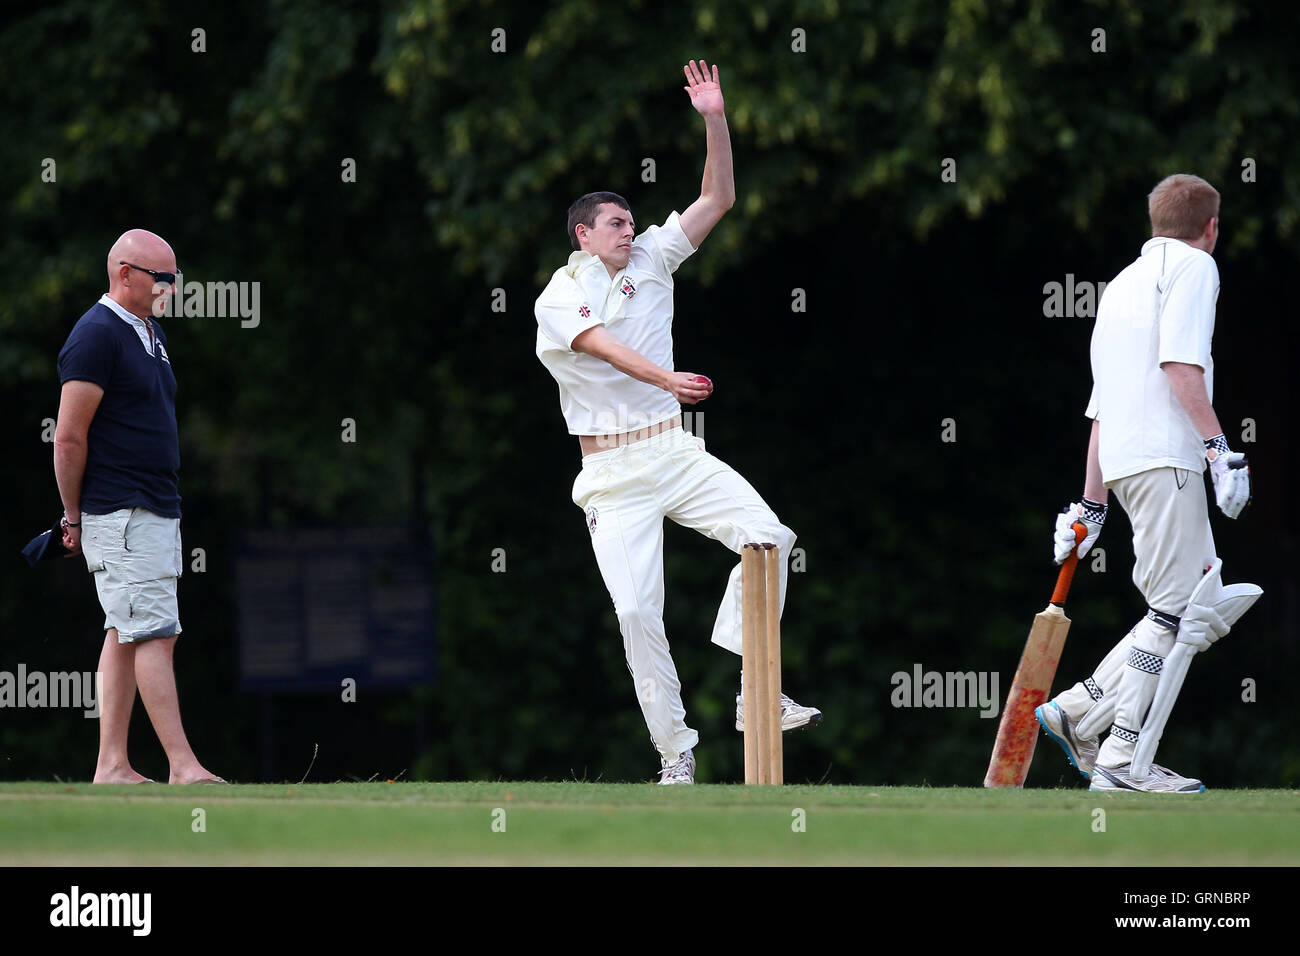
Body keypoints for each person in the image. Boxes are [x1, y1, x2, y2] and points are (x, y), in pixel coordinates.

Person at [534, 61, 821, 785]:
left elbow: (717, 197)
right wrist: (667, 377)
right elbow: (600, 345)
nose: (633, 231)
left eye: (633, 222)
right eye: (617, 223)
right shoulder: (557, 297)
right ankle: (675, 756)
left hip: (673, 448)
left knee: (768, 538)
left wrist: (715, 119)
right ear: (584, 234)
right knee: (636, 614)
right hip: (609, 475)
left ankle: (753, 688)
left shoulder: (655, 257)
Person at [1035, 175, 1260, 793]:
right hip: (1168, 456)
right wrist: (1219, 450)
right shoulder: (1195, 268)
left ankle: (1080, 711)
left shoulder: (1121, 287)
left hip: (1127, 462)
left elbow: (1102, 405)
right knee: (1184, 610)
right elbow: (1179, 363)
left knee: (1181, 605)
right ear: (1210, 228)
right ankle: (1121, 759)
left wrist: (1091, 503)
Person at [53, 228, 224, 785]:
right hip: (122, 510)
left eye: (175, 280)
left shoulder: (148, 330)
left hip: (151, 507)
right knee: (155, 631)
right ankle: (182, 766)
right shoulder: (96, 334)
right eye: (162, 279)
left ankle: (112, 766)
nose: (171, 289)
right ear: (124, 274)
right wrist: (72, 516)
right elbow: (69, 437)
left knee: (125, 630)